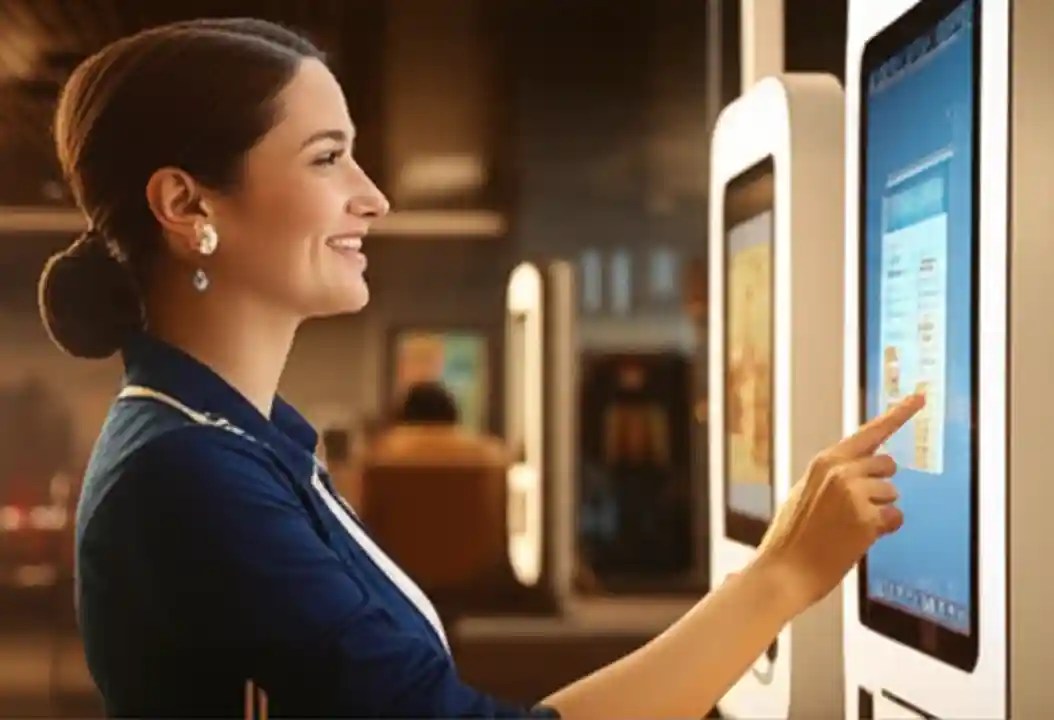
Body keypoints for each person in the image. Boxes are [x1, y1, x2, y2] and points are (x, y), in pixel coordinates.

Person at [38, 17, 921, 718]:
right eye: (326, 157)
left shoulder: (239, 443)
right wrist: (783, 576)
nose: (371, 196)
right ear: (187, 204)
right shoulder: (187, 473)